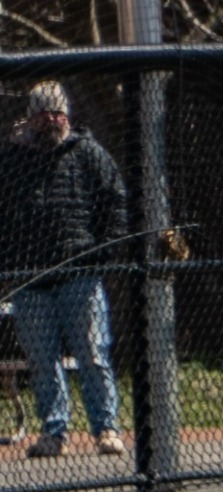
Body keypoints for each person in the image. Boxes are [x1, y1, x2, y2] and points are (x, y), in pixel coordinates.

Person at [0, 81, 129, 458]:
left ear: (67, 116)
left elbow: (114, 201)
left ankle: (106, 429)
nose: (50, 120)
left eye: (57, 113)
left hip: (80, 274)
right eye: (43, 114)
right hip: (29, 276)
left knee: (92, 354)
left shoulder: (88, 153)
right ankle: (53, 433)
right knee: (42, 361)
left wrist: (105, 251)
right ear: (31, 117)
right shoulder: (12, 159)